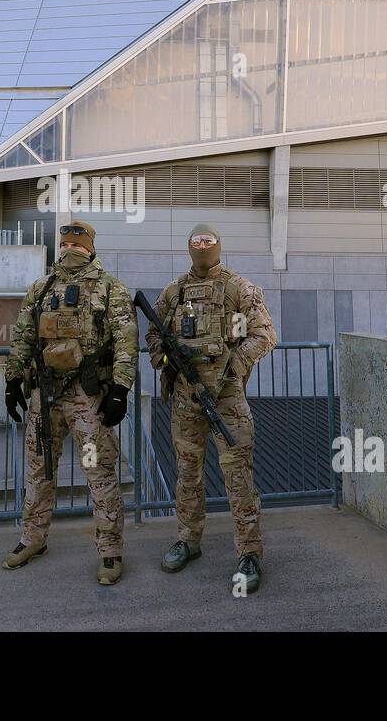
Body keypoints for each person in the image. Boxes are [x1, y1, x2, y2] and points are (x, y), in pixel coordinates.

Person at [2, 220, 137, 585]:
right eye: (66, 242)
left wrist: (120, 389)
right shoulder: (42, 287)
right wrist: (13, 378)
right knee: (39, 470)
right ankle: (33, 539)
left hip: (86, 398)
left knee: (98, 473)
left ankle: (109, 550)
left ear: (91, 247)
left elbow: (126, 340)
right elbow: (24, 337)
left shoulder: (110, 288)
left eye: (79, 242)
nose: (71, 248)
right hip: (45, 398)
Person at [145, 223, 276, 593]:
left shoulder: (239, 289)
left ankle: (249, 553)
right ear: (189, 247)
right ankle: (188, 539)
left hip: (226, 399)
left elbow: (265, 334)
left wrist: (234, 364)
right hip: (186, 398)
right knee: (187, 473)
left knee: (238, 475)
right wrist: (165, 360)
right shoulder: (173, 293)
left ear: (219, 245)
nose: (202, 246)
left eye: (209, 241)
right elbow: (154, 335)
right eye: (196, 241)